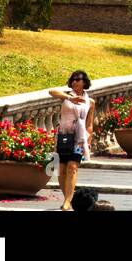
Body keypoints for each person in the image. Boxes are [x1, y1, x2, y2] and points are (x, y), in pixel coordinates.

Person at [48, 70, 95, 211]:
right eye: (73, 79)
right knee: (61, 170)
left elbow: (89, 123)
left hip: (79, 138)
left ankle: (68, 201)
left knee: (72, 167)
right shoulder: (66, 96)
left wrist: (89, 139)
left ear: (84, 82)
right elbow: (51, 91)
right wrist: (69, 98)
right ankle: (68, 198)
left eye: (78, 79)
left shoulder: (90, 102)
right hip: (64, 136)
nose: (74, 82)